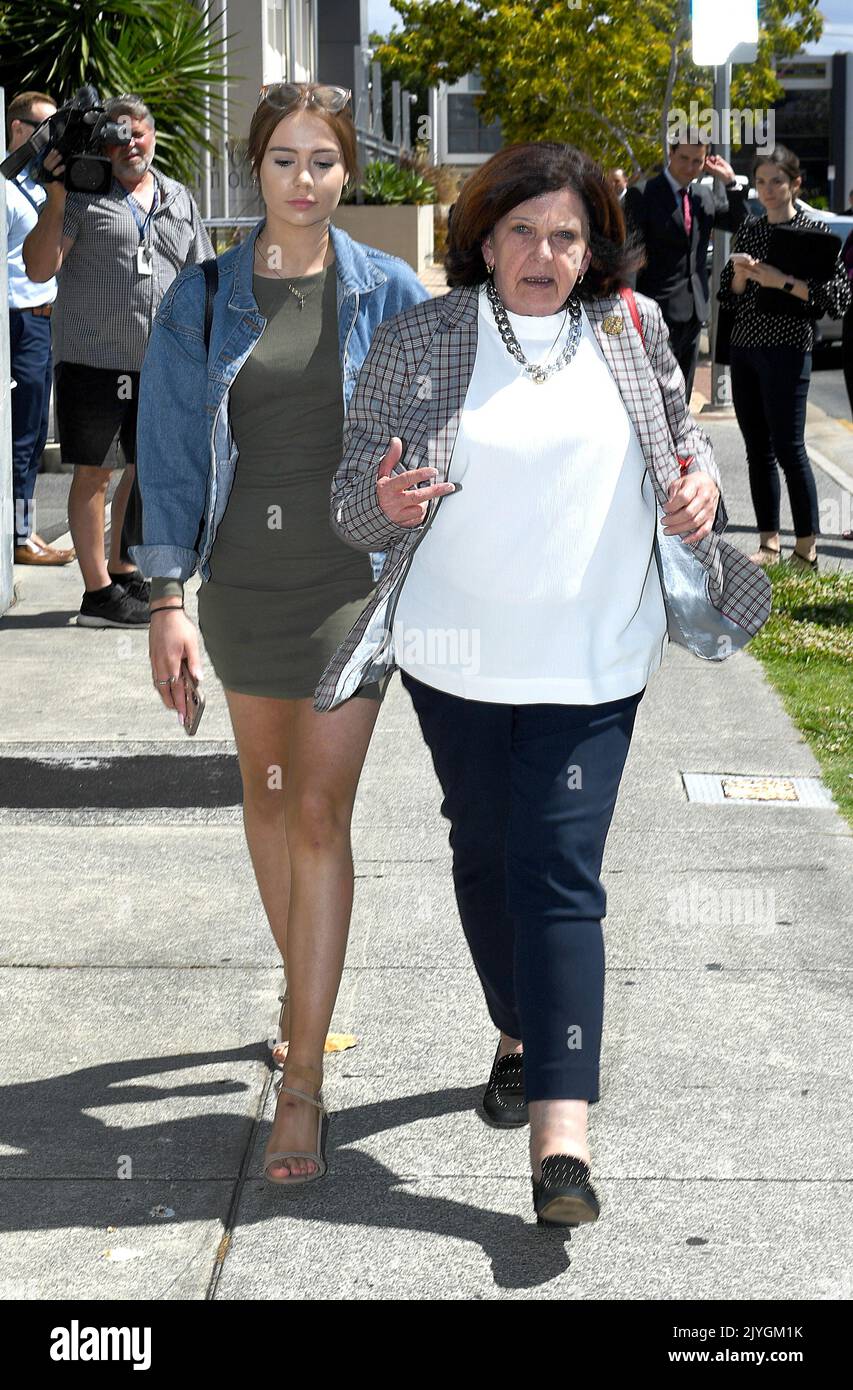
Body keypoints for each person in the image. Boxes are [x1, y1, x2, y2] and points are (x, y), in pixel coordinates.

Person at [318, 142, 770, 1227]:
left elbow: (680, 448)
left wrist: (699, 488)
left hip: (591, 656)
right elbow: (350, 505)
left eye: (565, 234)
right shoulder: (423, 335)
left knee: (559, 872)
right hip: (457, 657)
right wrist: (388, 501)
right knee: (485, 852)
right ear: (483, 238)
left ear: (593, 247)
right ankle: (520, 1030)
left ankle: (558, 1138)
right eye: (521, 231)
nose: (543, 252)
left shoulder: (631, 328)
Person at [130, 82, 430, 1185]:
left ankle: (300, 1080)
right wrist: (166, 602)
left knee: (317, 807)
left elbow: (443, 426)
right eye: (282, 161)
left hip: (352, 586)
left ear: (348, 172)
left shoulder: (391, 292)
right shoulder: (203, 300)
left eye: (322, 161)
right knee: (263, 797)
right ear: (251, 171)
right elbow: (165, 453)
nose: (303, 181)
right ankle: (305, 997)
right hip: (245, 589)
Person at [23, 94, 213, 627]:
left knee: (144, 467)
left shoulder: (177, 197)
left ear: (153, 135)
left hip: (160, 360)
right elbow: (39, 268)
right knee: (94, 473)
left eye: (137, 132)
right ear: (103, 145)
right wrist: (56, 197)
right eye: (117, 135)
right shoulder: (83, 196)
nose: (129, 143)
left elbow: (203, 271)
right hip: (94, 359)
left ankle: (123, 568)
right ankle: (96, 595)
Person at [718, 146, 851, 570]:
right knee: (757, 449)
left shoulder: (815, 233)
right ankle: (769, 542)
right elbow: (728, 296)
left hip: (789, 350)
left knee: (790, 449)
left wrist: (784, 282)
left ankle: (806, 548)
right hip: (745, 348)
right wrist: (738, 276)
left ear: (795, 183)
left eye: (777, 181)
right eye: (760, 182)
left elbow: (838, 300)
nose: (768, 190)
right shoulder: (752, 230)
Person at [623, 133, 747, 399]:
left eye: (697, 161)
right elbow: (629, 257)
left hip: (695, 311)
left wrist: (731, 182)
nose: (690, 167)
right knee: (654, 397)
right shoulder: (643, 194)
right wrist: (628, 310)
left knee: (683, 396)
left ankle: (680, 442)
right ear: (671, 153)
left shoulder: (703, 196)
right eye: (684, 158)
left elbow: (739, 223)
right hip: (655, 312)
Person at [6, 91, 75, 567]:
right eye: (45, 128)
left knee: (30, 436)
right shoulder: (7, 186)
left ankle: (23, 532)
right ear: (17, 130)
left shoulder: (40, 185)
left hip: (40, 320)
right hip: (15, 318)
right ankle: (16, 535)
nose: (54, 141)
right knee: (19, 436)